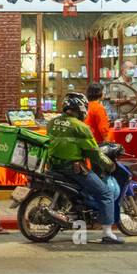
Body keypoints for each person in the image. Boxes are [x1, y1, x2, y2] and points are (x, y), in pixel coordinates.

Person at [45, 91, 124, 244]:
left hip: (54, 166)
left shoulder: (52, 123)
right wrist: (109, 165)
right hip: (73, 169)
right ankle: (107, 233)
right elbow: (94, 152)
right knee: (106, 194)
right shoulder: (81, 127)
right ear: (81, 108)